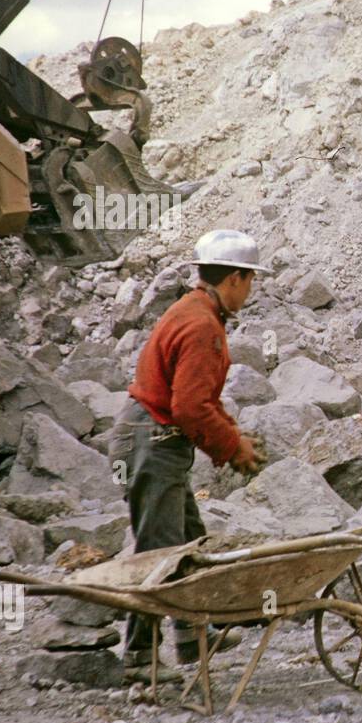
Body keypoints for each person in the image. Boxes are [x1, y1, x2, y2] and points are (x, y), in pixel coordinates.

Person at [110, 229, 269, 681]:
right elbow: (189, 407)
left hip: (153, 437)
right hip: (152, 440)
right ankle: (140, 656)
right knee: (159, 552)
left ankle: (190, 634)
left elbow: (198, 399)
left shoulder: (194, 312)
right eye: (250, 280)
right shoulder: (202, 325)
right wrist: (231, 446)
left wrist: (230, 435)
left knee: (189, 542)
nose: (250, 290)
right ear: (235, 279)